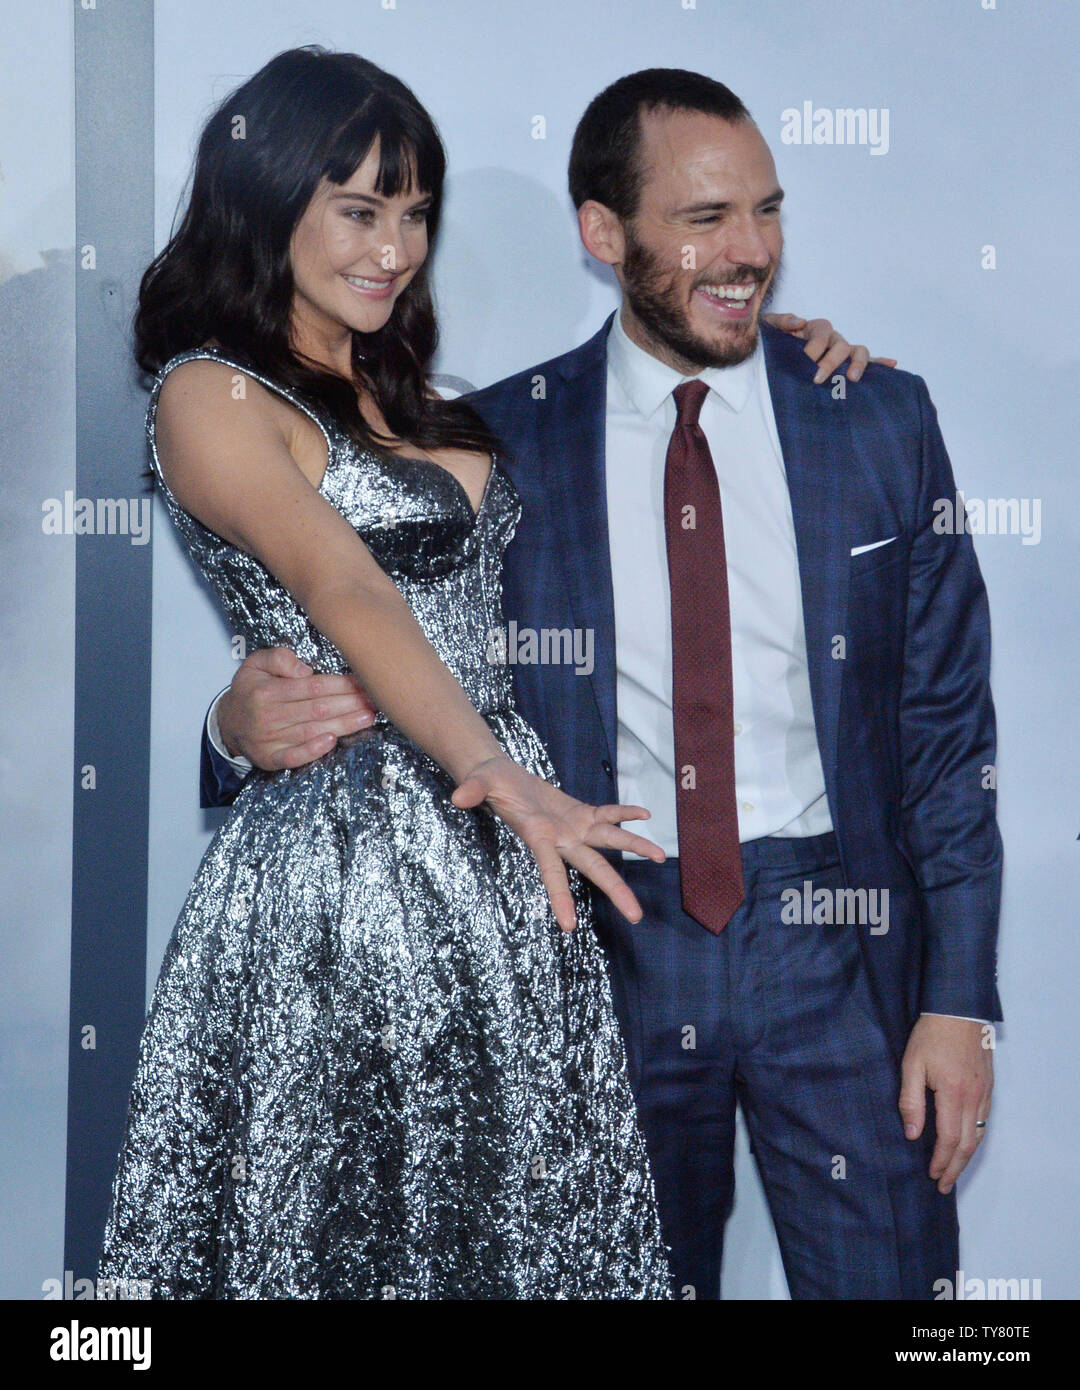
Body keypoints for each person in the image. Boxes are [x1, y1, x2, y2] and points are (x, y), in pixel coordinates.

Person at [207, 69, 1003, 1301]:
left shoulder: (877, 416)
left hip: (838, 953)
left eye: (767, 212)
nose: (750, 254)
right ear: (603, 234)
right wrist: (232, 730)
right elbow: (384, 645)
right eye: (704, 221)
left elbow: (949, 731)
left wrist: (960, 1003)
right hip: (597, 938)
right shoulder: (492, 443)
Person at [98, 47, 683, 1300]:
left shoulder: (424, 395)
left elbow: (619, 387)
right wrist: (486, 764)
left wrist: (776, 346)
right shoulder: (208, 393)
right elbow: (345, 584)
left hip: (507, 878)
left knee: (511, 1238)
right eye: (359, 209)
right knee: (342, 1237)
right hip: (348, 885)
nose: (396, 246)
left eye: (414, 213)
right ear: (267, 204)